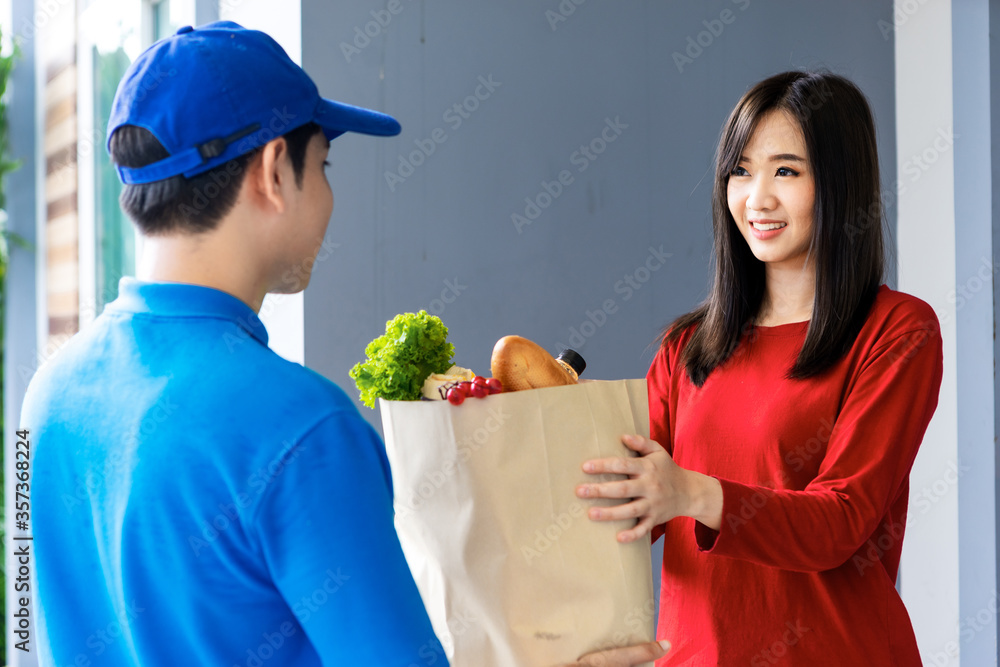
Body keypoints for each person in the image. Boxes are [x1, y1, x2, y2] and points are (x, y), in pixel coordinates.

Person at [21, 19, 666, 667]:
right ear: (275, 169)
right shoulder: (302, 425)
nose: (329, 195)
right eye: (323, 163)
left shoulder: (45, 396)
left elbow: (29, 629)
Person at [575, 71, 943, 665]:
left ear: (842, 185)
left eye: (786, 171)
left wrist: (691, 491)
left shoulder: (897, 331)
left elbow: (841, 521)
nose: (757, 198)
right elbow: (630, 506)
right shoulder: (688, 345)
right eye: (741, 171)